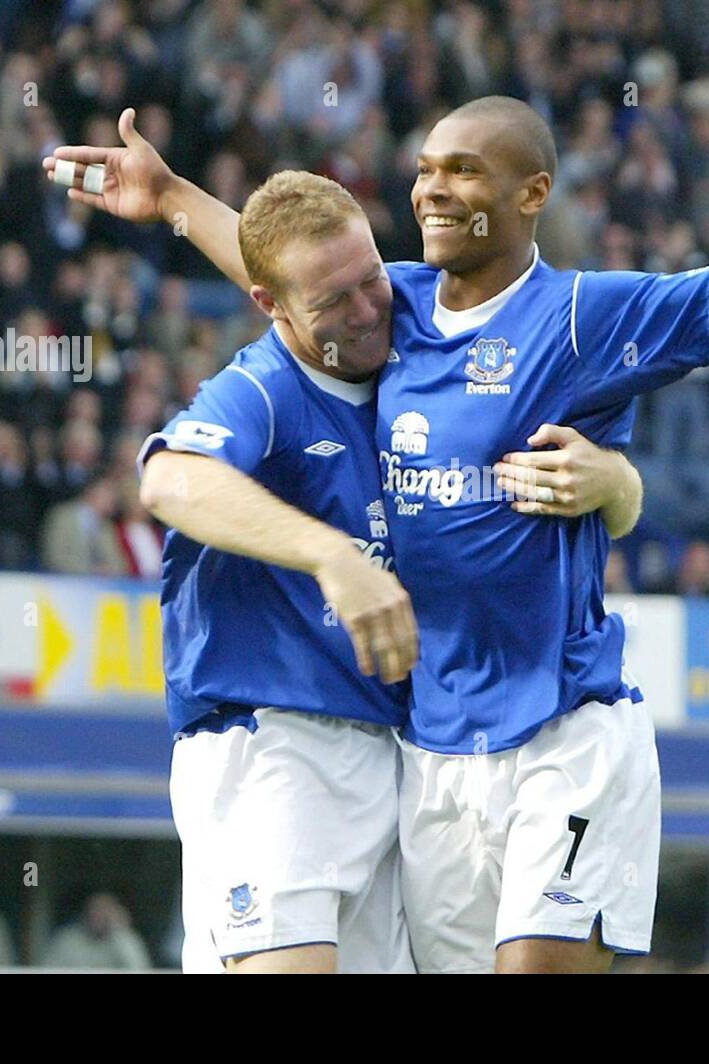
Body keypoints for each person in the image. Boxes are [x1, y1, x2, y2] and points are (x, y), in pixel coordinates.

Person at [48, 71, 709, 972]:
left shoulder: (582, 318)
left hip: (564, 723)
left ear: (532, 193)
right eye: (427, 169)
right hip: (433, 756)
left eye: (465, 170)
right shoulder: (392, 312)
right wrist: (176, 200)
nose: (434, 189)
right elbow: (293, 283)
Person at [52, 158, 641, 973]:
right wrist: (331, 556)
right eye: (337, 302)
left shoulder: (415, 344)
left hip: (392, 758)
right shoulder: (260, 389)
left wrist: (620, 483)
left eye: (374, 280)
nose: (371, 310)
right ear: (275, 309)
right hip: (270, 739)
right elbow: (169, 479)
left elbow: (299, 265)